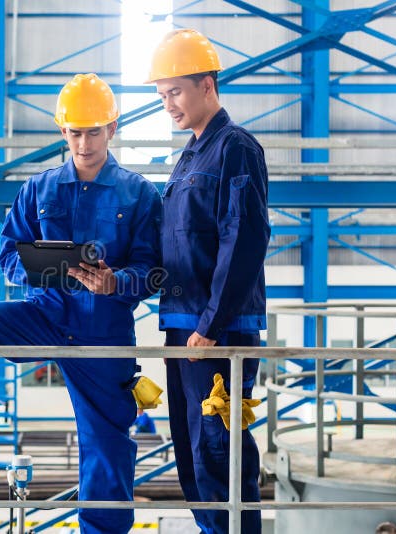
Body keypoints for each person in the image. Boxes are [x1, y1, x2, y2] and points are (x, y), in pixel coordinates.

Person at [0, 73, 163, 534]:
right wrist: (42, 269)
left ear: (112, 129)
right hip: (43, 315)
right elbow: (8, 254)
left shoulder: (139, 194)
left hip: (102, 333)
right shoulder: (38, 190)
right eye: (75, 132)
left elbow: (153, 269)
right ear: (63, 132)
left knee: (106, 445)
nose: (84, 143)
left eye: (94, 132)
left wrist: (115, 283)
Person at [147, 29, 271, 534]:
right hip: (183, 326)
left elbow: (244, 237)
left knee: (219, 450)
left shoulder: (234, 148)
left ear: (207, 85)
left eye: (175, 91)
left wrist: (213, 324)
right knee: (191, 450)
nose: (169, 105)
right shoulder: (188, 157)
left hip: (217, 330)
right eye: (162, 96)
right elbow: (174, 243)